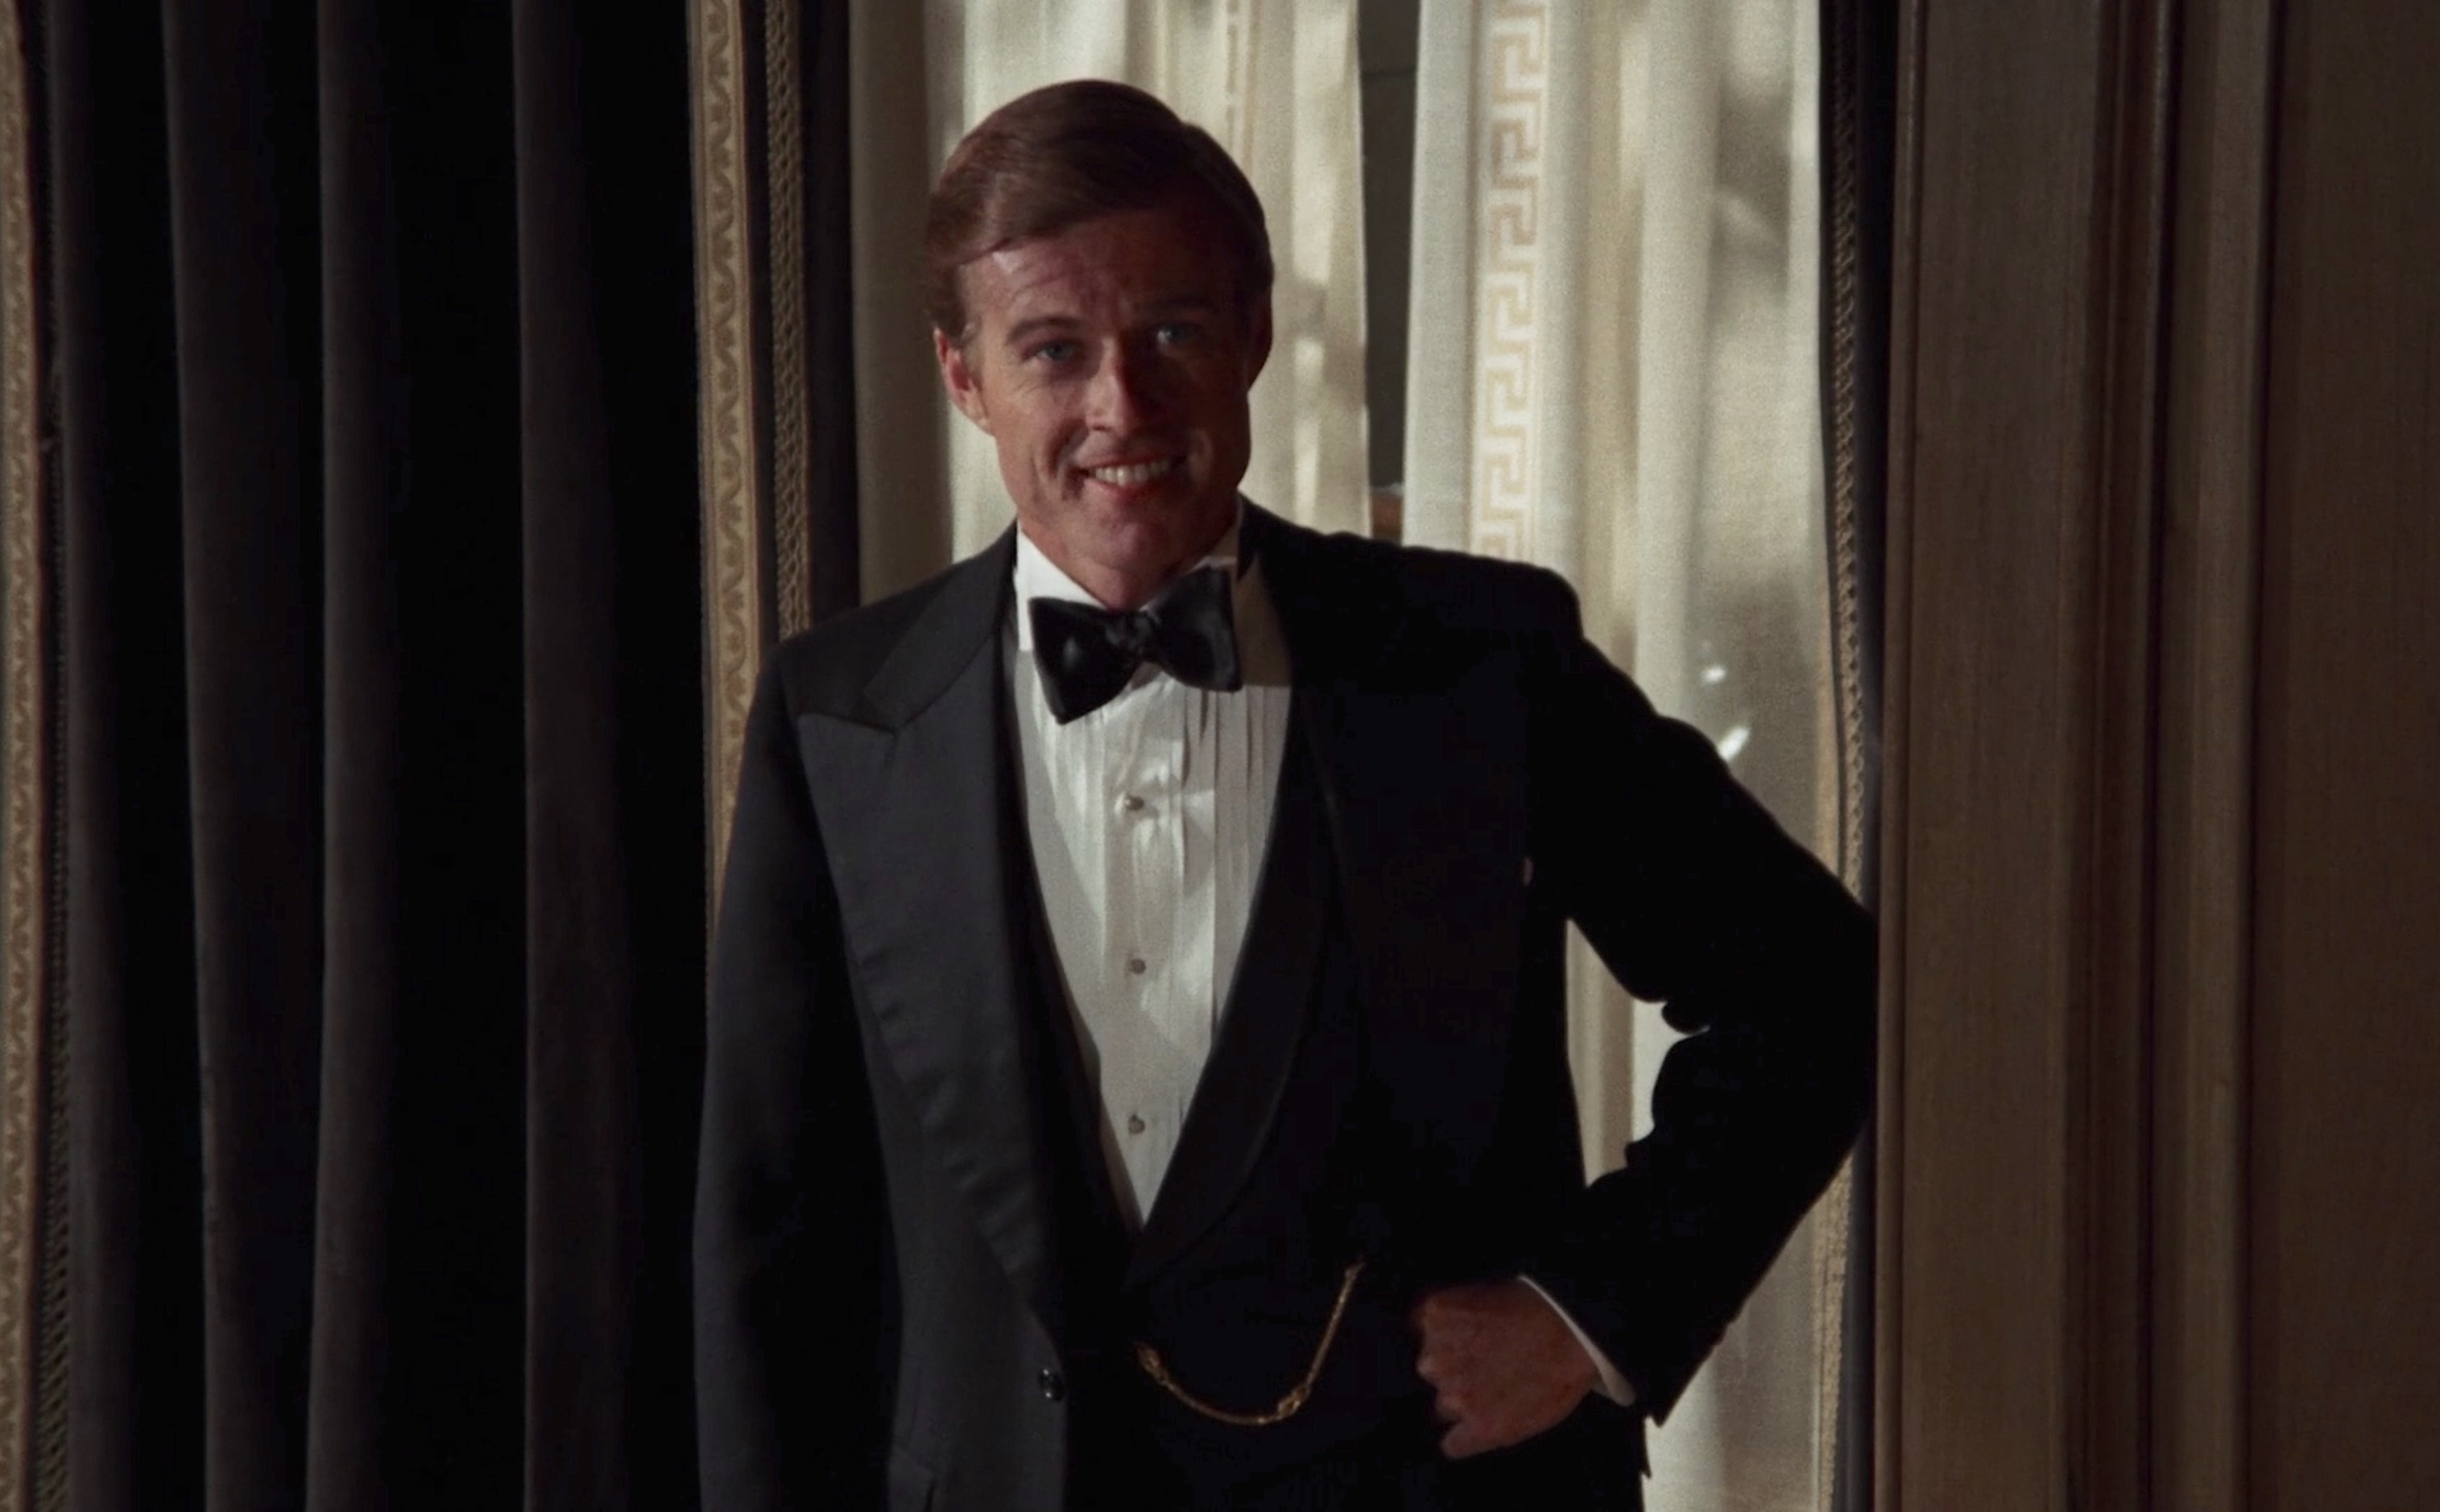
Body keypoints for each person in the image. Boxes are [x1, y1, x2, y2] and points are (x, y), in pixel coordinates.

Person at [693, 79, 1874, 1512]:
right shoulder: (838, 715)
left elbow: (1813, 986)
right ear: (964, 375)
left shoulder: (1481, 664)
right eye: (1053, 350)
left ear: (1252, 333)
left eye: (1173, 333)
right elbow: (769, 1230)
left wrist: (1584, 1312)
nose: (1121, 406)